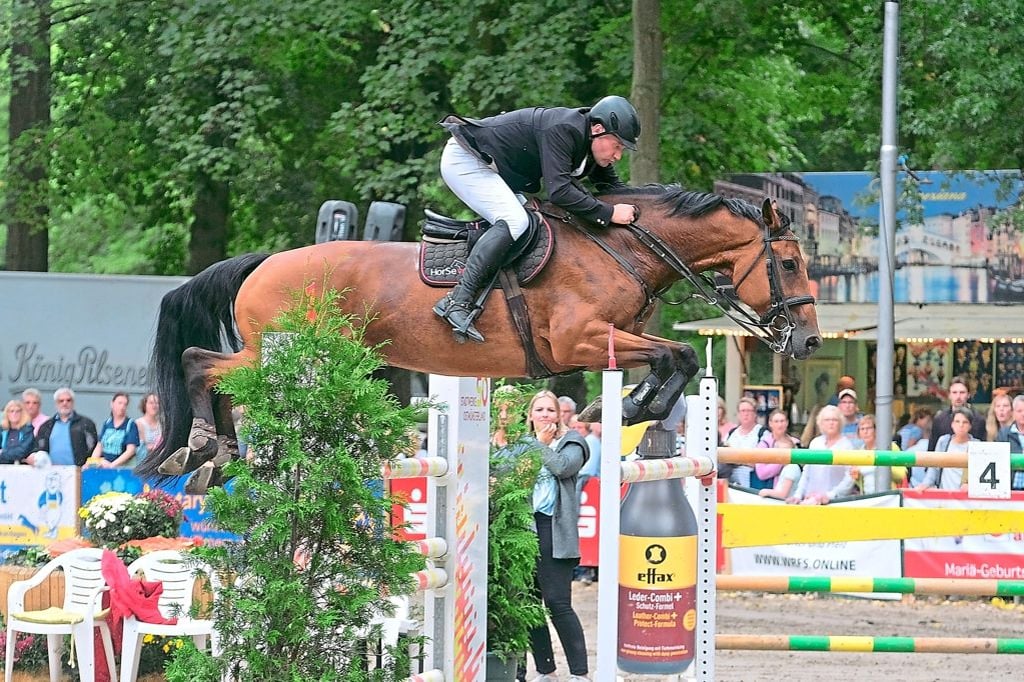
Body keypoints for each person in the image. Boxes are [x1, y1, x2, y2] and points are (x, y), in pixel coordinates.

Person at [433, 96, 641, 342]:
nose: (618, 155)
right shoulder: (564, 129)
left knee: (532, 222)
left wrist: (641, 207)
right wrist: (609, 214)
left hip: (494, 170)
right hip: (466, 160)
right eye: (617, 146)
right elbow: (560, 192)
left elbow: (613, 188)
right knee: (515, 221)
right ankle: (457, 300)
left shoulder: (591, 146)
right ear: (597, 129)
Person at [503, 390, 590, 682]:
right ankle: (545, 670)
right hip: (523, 529)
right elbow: (505, 475)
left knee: (557, 603)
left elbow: (562, 467)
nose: (544, 415)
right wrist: (530, 445)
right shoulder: (520, 444)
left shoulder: (573, 442)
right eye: (538, 410)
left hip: (554, 531)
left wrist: (537, 445)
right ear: (530, 415)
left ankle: (579, 673)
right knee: (529, 605)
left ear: (560, 414)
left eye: (550, 410)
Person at [787, 405, 855, 505]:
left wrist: (831, 495)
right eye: (827, 420)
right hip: (810, 500)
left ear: (840, 423)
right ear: (820, 423)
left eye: (834, 420)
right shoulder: (815, 443)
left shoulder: (847, 445)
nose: (831, 423)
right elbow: (807, 472)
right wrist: (798, 495)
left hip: (836, 503)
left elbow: (850, 477)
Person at [35, 388, 99, 466]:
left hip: (79, 472)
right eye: (61, 401)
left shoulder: (86, 424)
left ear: (73, 403)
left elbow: (94, 448)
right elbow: (40, 450)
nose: (65, 403)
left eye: (68, 400)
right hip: (51, 473)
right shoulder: (46, 426)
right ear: (56, 404)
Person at [916, 408, 977, 490]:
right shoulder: (943, 441)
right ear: (952, 424)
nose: (961, 425)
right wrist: (925, 484)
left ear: (970, 426)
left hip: (965, 497)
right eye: (957, 421)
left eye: (965, 422)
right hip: (944, 495)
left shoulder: (976, 445)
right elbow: (934, 466)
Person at [848, 414, 905, 494]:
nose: (865, 432)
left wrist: (881, 464)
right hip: (868, 498)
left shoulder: (891, 447)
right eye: (862, 429)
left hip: (889, 497)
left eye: (868, 428)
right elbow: (860, 482)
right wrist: (856, 476)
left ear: (876, 430)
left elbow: (901, 475)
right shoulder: (860, 452)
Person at [756, 409, 802, 500]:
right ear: (770, 423)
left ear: (787, 423)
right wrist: (783, 459)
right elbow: (761, 473)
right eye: (776, 421)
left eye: (782, 421)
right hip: (769, 490)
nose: (780, 425)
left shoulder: (796, 443)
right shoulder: (764, 444)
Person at [725, 397, 769, 489]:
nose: (746, 414)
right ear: (738, 414)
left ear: (755, 414)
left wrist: (735, 460)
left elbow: (761, 459)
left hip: (752, 482)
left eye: (749, 410)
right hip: (729, 481)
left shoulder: (762, 433)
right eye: (743, 411)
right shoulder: (731, 433)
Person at [929, 378, 986, 449]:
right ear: (949, 395)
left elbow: (983, 450)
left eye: (962, 392)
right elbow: (932, 448)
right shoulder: (940, 419)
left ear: (968, 395)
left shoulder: (978, 420)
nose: (958, 397)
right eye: (954, 392)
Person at [90, 392, 140, 468]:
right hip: (104, 466)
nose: (122, 406)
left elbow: (131, 450)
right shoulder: (107, 423)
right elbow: (99, 446)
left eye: (125, 404)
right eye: (119, 403)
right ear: (112, 404)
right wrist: (93, 462)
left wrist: (112, 465)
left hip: (122, 469)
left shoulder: (130, 424)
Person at [995, 395, 1024, 490]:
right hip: (1009, 489)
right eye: (1019, 411)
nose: (1023, 414)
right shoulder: (1004, 434)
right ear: (1013, 413)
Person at [1, 400, 37, 465]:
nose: (14, 414)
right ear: (7, 413)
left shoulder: (28, 430)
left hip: (22, 470)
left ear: (22, 413)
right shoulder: (2, 430)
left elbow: (21, 452)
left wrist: (2, 453)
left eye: (17, 411)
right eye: (11, 411)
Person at [134, 392, 163, 467]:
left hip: (159, 464)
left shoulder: (162, 425)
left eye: (157, 403)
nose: (154, 406)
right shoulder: (138, 423)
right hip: (143, 464)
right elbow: (140, 448)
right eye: (151, 403)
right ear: (145, 405)